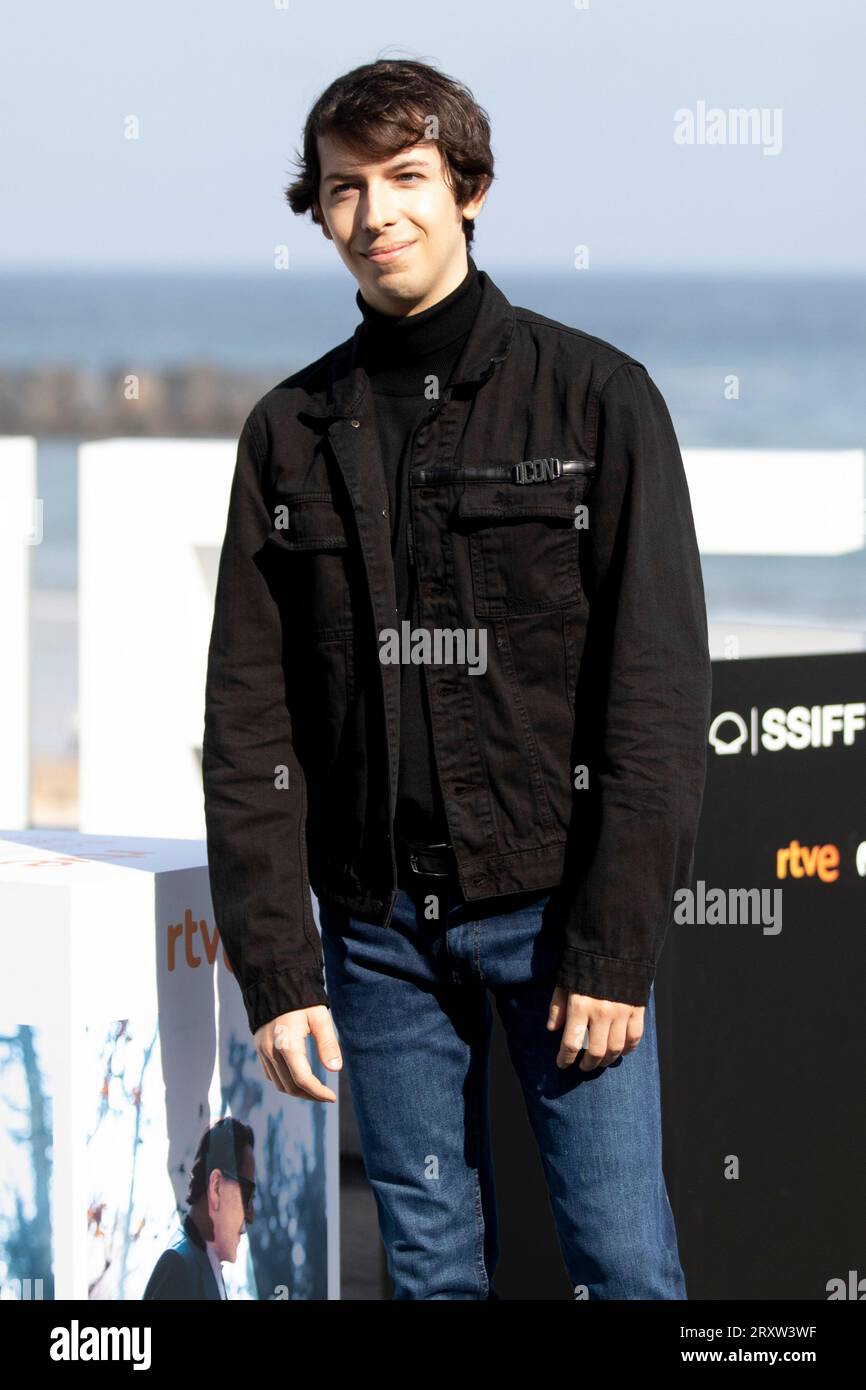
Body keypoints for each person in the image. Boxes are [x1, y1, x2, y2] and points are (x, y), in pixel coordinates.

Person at [202, 58, 712, 1299]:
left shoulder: (597, 400)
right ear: (317, 215)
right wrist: (279, 973)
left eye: (406, 178)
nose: (375, 214)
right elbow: (246, 718)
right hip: (378, 939)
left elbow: (653, 692)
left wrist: (612, 945)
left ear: (469, 187)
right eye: (342, 190)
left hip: (556, 923)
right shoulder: (287, 431)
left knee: (620, 1264)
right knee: (429, 1276)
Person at [142, 1118, 255, 1300]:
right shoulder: (178, 1266)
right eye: (246, 1194)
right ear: (217, 1186)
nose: (250, 1215)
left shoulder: (202, 1268)